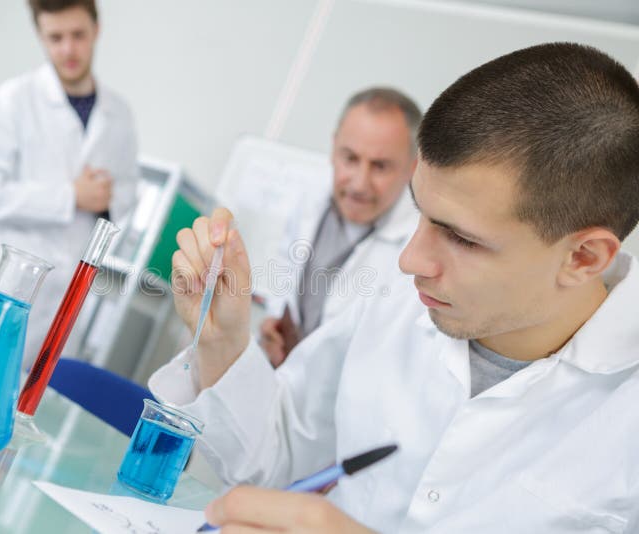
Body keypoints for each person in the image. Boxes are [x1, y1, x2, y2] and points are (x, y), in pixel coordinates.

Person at [151, 42, 639, 533]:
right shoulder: (397, 302)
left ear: (582, 257)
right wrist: (222, 340)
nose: (410, 260)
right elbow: (278, 458)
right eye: (420, 212)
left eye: (462, 237)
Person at [0, 0, 138, 366]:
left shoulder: (119, 114)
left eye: (78, 35)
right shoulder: (13, 100)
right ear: (41, 37)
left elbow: (128, 190)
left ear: (96, 31)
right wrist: (69, 197)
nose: (68, 49)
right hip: (2, 286)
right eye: (56, 38)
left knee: (26, 409)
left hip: (62, 300)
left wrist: (108, 199)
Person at [260, 88, 420, 367]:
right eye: (350, 158)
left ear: (413, 168)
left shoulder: (419, 250)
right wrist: (274, 327)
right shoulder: (309, 202)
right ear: (334, 148)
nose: (359, 183)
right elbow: (285, 279)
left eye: (380, 166)